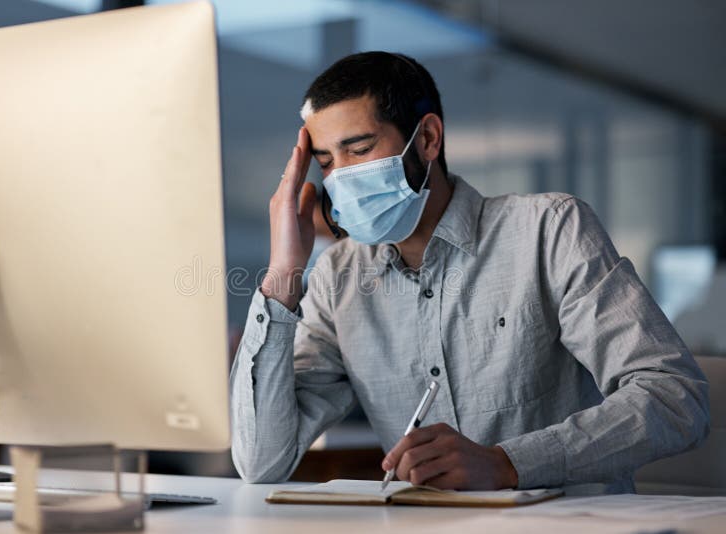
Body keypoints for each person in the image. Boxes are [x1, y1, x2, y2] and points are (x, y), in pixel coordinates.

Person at [229, 51, 709, 493]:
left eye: (359, 149)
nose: (341, 178)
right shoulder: (339, 276)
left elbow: (675, 396)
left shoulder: (548, 229)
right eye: (326, 162)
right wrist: (283, 274)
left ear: (428, 139)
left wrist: (509, 463)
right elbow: (262, 462)